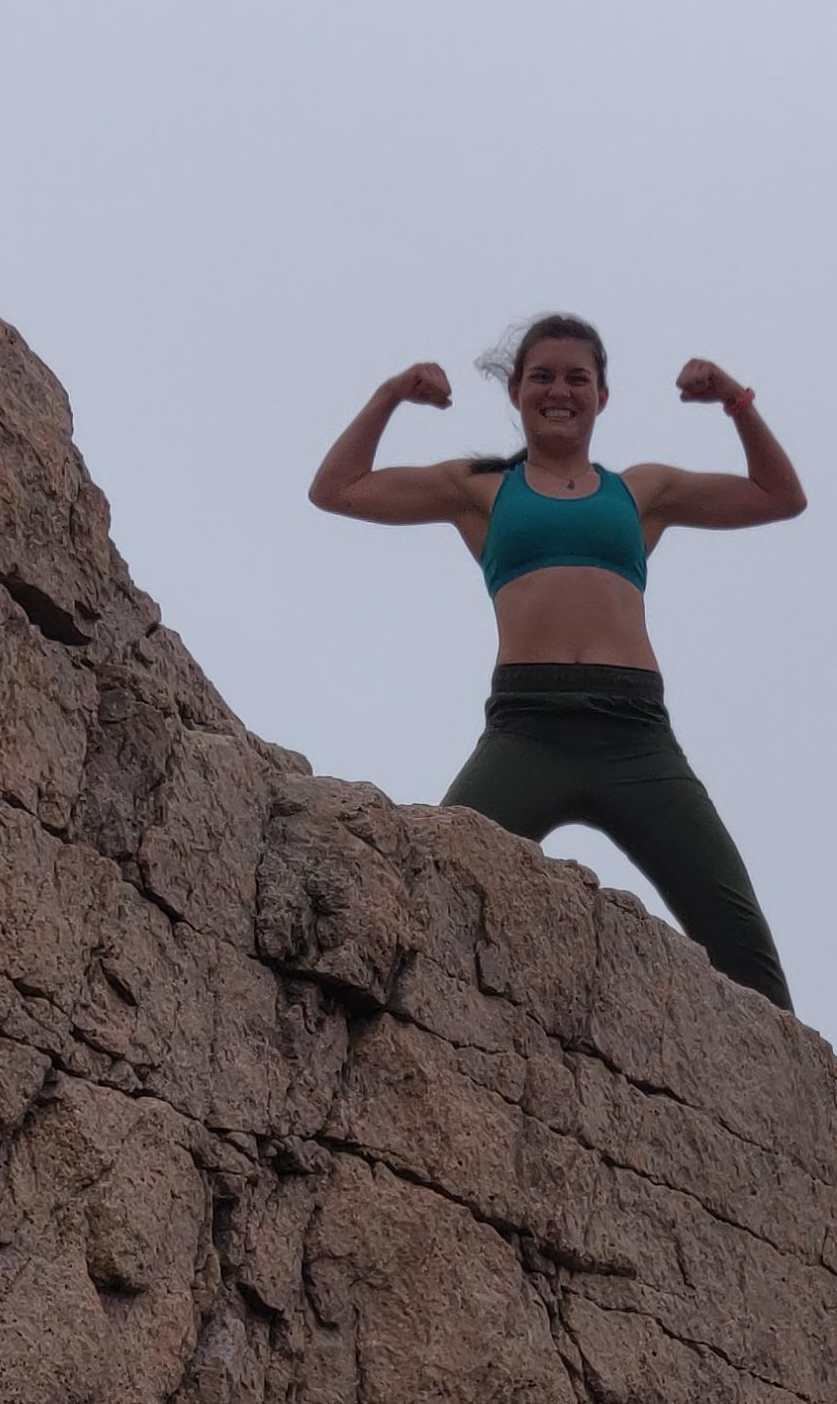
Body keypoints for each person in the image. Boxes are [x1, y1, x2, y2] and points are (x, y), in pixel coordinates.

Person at [309, 313, 803, 1005]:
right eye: (541, 376)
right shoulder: (481, 489)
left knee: (744, 952)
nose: (559, 391)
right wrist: (392, 393)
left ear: (603, 395)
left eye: (578, 378)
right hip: (528, 730)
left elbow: (780, 496)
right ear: (515, 391)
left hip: (636, 738)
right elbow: (337, 488)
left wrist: (734, 399)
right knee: (425, 892)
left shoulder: (641, 492)